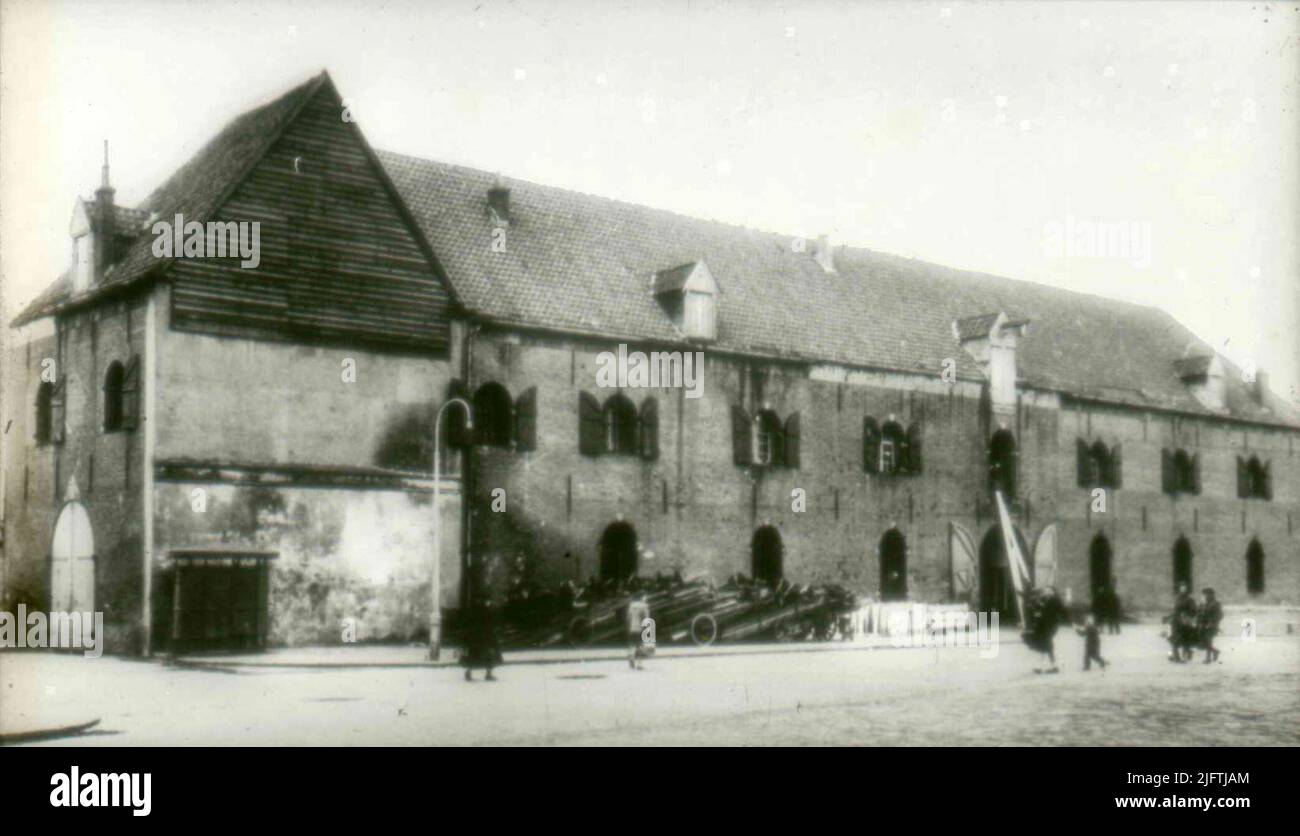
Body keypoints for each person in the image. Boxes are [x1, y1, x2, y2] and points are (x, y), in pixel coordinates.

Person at [1023, 586, 1067, 673]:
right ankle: (1047, 666)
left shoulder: (1055, 600)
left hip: (1050, 625)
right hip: (1045, 625)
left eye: (1047, 590)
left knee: (1046, 644)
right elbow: (1044, 611)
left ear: (1051, 591)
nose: (1045, 591)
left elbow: (1062, 611)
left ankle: (1052, 666)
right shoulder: (1047, 599)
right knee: (1044, 645)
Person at [461, 597, 502, 682]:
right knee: (488, 655)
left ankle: (468, 673)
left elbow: (467, 624)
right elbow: (491, 624)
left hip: (474, 638)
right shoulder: (487, 611)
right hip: (485, 637)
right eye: (488, 601)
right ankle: (488, 674)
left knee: (473, 655)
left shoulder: (472, 611)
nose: (489, 603)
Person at [626, 592, 651, 670]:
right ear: (642, 597)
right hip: (641, 628)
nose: (646, 598)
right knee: (640, 645)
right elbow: (646, 618)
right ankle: (639, 664)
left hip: (632, 627)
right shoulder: (644, 606)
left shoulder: (631, 605)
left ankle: (631, 656)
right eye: (645, 597)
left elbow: (628, 618)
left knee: (632, 644)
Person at [1198, 587, 1223, 664]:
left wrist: (1212, 622)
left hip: (1212, 625)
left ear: (1211, 595)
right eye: (1204, 594)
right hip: (1203, 625)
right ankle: (1215, 651)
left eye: (1207, 594)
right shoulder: (1204, 603)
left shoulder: (1216, 603)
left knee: (1208, 640)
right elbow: (1200, 613)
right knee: (1204, 642)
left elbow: (1220, 615)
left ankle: (1208, 658)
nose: (1205, 596)